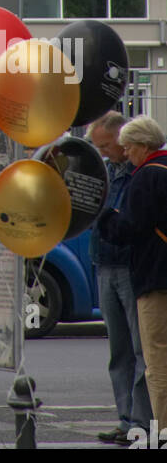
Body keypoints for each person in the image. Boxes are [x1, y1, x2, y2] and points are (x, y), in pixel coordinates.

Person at [97, 116, 167, 438]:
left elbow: (131, 227)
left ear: (141, 146)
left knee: (154, 356)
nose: (124, 153)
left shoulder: (144, 176)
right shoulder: (161, 169)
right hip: (152, 271)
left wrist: (105, 219)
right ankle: (140, 423)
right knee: (139, 352)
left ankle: (156, 429)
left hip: (151, 276)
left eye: (126, 147)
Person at [88, 111, 152, 444]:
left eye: (106, 145)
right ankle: (126, 418)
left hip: (128, 264)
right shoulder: (105, 171)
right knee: (119, 350)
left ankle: (142, 420)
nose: (105, 152)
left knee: (141, 348)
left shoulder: (137, 172)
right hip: (104, 262)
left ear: (121, 138)